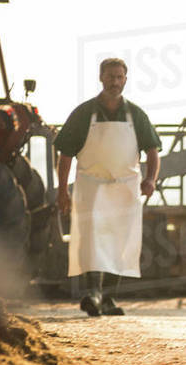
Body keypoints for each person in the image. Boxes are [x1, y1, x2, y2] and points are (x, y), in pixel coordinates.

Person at [55, 58, 161, 316]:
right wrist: (62, 191)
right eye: (110, 77)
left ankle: (109, 297)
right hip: (91, 187)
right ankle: (94, 293)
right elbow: (65, 154)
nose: (115, 82)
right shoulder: (83, 113)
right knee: (92, 239)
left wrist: (150, 179)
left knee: (120, 241)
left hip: (125, 188)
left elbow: (152, 150)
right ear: (100, 78)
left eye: (119, 77)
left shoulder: (136, 114)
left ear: (126, 79)